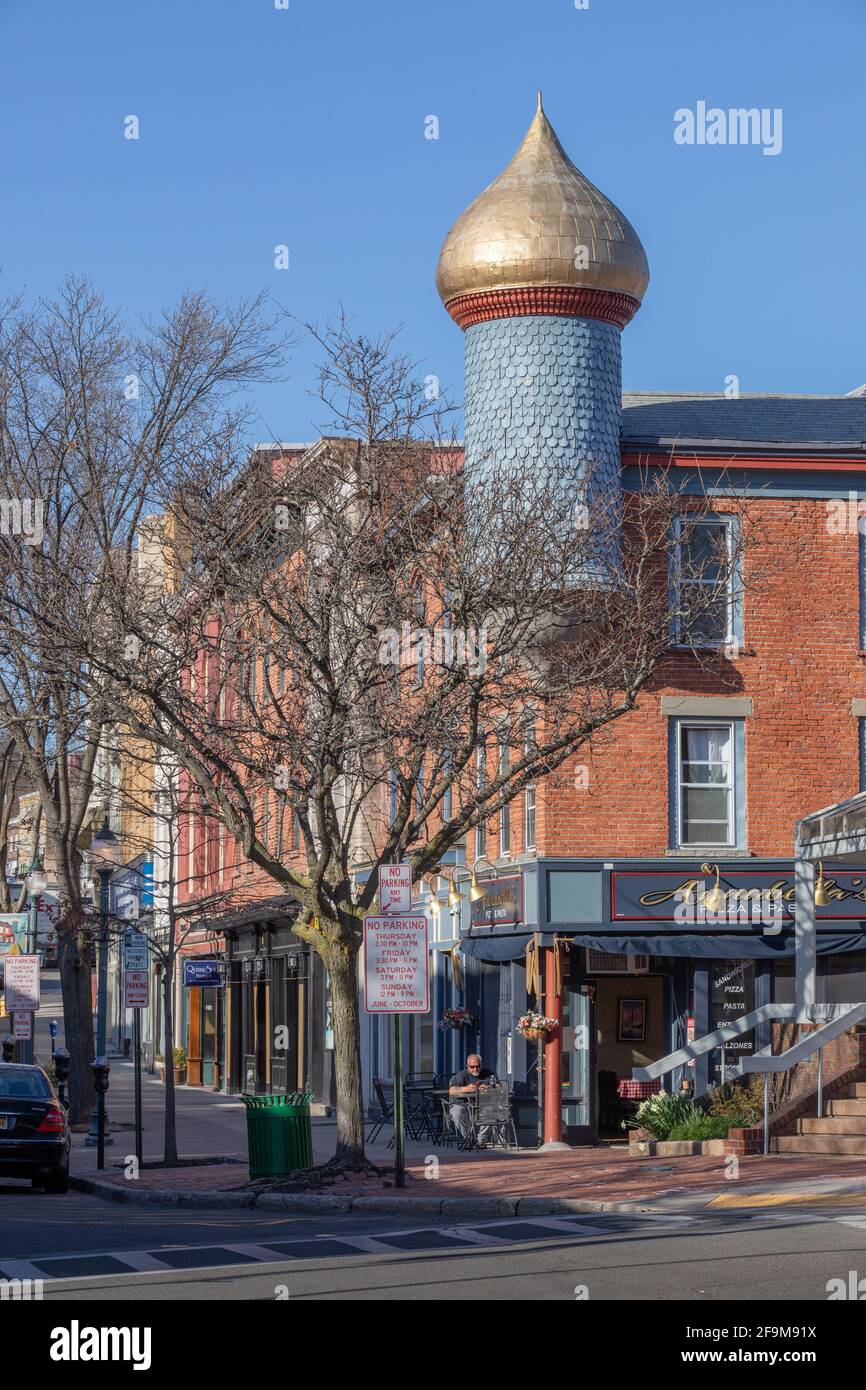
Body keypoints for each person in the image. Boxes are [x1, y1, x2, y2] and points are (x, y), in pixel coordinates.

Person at [449, 1054, 500, 1146]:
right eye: (472, 1067)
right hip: (463, 1104)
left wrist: (488, 1087)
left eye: (477, 1066)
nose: (475, 1069)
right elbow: (452, 1091)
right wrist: (466, 1089)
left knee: (492, 1112)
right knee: (457, 1112)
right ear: (467, 1066)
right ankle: (467, 1138)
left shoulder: (487, 1073)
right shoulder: (462, 1075)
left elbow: (499, 1087)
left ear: (481, 1065)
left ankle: (480, 1140)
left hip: (483, 1104)